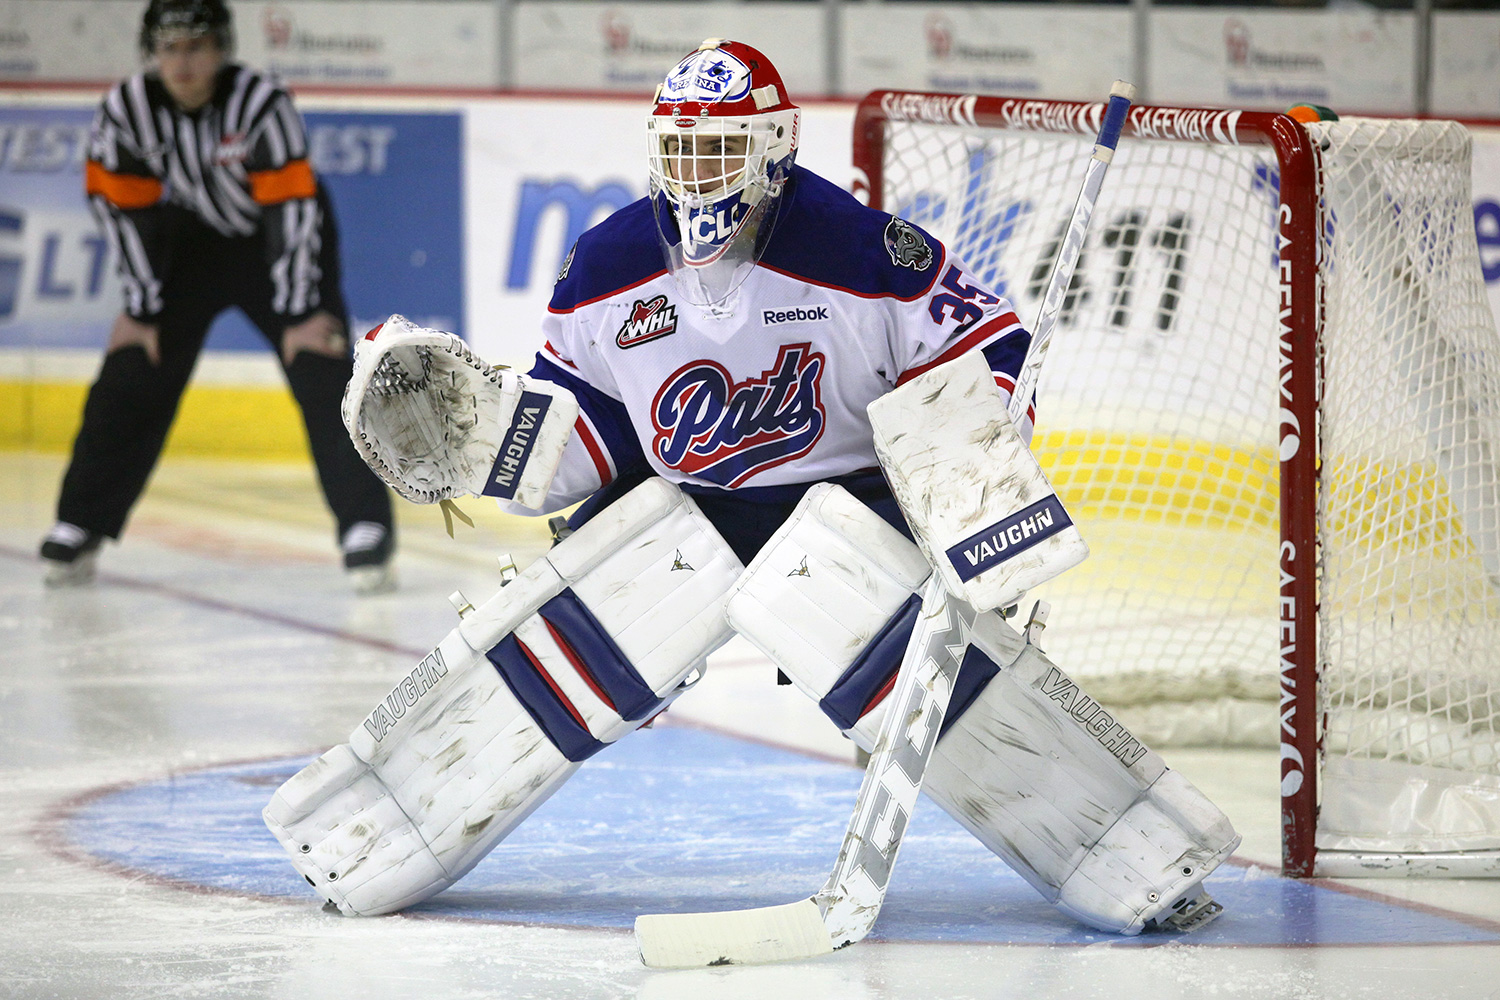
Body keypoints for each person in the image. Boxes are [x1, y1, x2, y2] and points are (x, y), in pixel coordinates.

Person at [264, 39, 1238, 940]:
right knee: (573, 629)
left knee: (923, 681)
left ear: (773, 148)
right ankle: (368, 832)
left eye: (719, 148)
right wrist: (498, 443)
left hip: (852, 502)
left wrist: (976, 432)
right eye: (680, 151)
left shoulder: (863, 251)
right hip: (684, 501)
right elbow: (594, 430)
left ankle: (1136, 851)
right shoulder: (606, 263)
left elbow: (989, 343)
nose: (696, 174)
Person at [38, 0, 395, 594]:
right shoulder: (125, 111)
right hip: (188, 248)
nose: (183, 62)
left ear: (222, 50)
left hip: (275, 243)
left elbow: (294, 207)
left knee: (322, 364)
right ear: (151, 52)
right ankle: (79, 522)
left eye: (197, 47)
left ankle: (364, 526)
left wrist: (301, 311)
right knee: (133, 369)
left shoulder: (261, 103)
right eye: (170, 48)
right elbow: (120, 210)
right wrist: (144, 307)